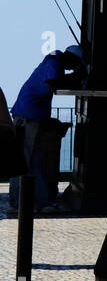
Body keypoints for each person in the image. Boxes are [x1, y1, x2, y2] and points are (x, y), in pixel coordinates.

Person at [8, 46, 83, 214]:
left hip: (32, 117)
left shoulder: (53, 62)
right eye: (75, 64)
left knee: (35, 161)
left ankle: (40, 201)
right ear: (69, 57)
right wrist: (76, 77)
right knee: (24, 161)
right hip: (28, 117)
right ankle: (17, 203)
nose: (73, 67)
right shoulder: (53, 64)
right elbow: (54, 84)